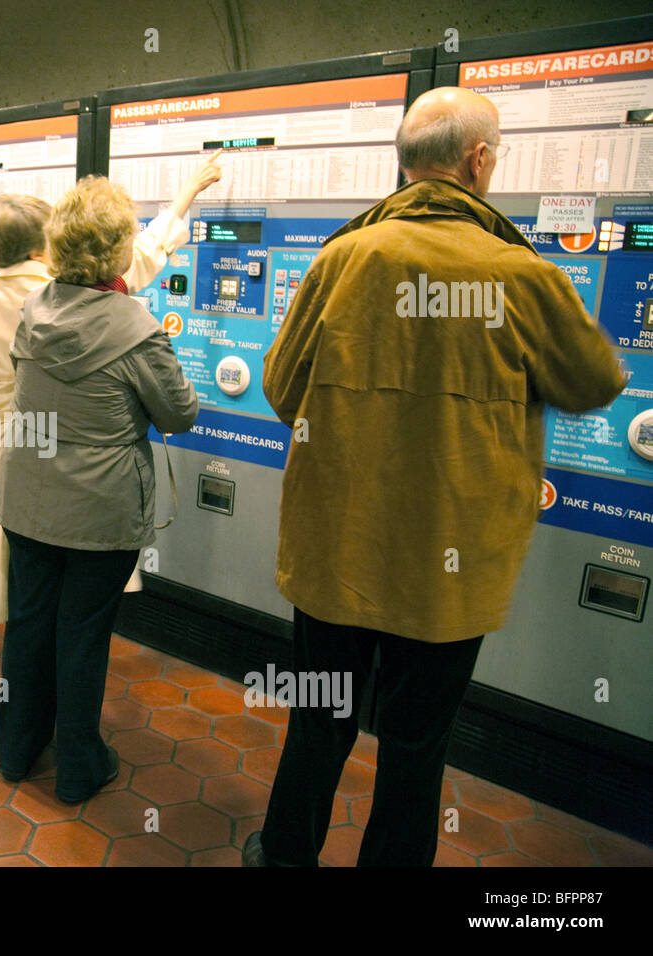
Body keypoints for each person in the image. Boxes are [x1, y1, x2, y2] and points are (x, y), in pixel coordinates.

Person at [245, 87, 626, 867]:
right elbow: (594, 382)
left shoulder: (343, 257)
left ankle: (284, 859)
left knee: (321, 718)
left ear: (405, 163)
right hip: (451, 567)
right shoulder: (521, 273)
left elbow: (283, 388)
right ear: (478, 161)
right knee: (417, 744)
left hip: (337, 550)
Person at [0, 155, 223, 714]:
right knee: (59, 598)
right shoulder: (83, 292)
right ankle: (56, 712)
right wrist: (186, 194)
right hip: (65, 452)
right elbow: (147, 255)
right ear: (44, 243)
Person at [0, 176, 200, 803]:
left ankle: (16, 748)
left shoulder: (34, 308)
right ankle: (80, 765)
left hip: (27, 500)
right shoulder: (134, 327)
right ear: (117, 248)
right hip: (99, 514)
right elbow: (179, 413)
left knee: (28, 624)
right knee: (82, 635)